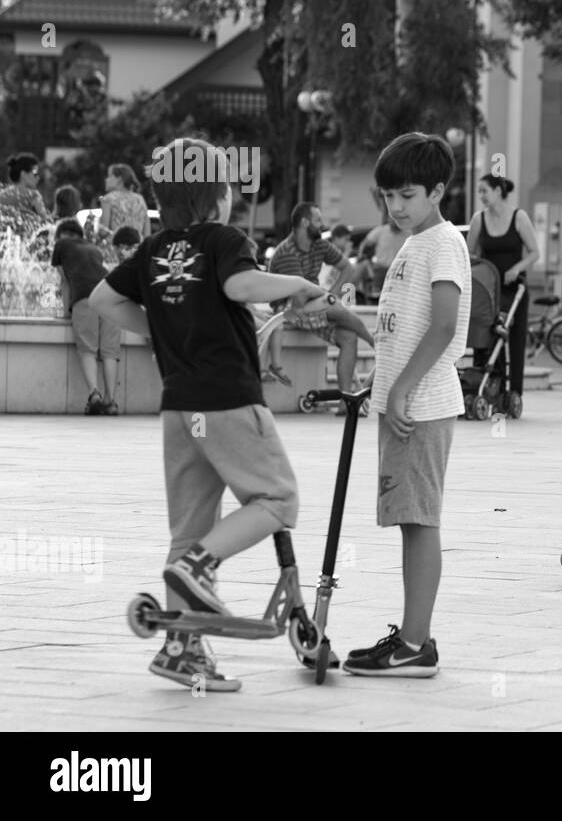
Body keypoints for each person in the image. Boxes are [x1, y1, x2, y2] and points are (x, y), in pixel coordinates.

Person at [90, 136, 327, 691]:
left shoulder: (151, 250)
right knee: (277, 498)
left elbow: (102, 299)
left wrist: (162, 330)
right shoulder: (224, 239)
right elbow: (240, 284)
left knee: (186, 530)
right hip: (226, 398)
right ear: (217, 196)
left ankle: (183, 650)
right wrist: (297, 283)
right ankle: (200, 569)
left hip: (179, 407)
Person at [342, 132, 470, 677]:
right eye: (387, 196)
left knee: (420, 522)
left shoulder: (443, 243)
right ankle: (410, 635)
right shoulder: (413, 243)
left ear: (438, 191)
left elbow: (444, 327)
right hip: (401, 405)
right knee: (410, 521)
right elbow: (403, 328)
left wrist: (399, 390)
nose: (396, 207)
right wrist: (373, 366)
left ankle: (416, 645)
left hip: (420, 407)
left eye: (407, 195)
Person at [268, 202, 375, 409]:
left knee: (348, 337)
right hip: (290, 308)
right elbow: (299, 295)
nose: (323, 225)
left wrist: (332, 294)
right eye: (318, 220)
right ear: (305, 222)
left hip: (311, 303)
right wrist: (327, 299)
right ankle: (374, 342)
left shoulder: (319, 244)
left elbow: (348, 269)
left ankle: (345, 404)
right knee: (333, 307)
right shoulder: (286, 251)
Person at [466, 174, 540, 402]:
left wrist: (517, 269)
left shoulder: (519, 217)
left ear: (498, 191)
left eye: (484, 191)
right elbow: (469, 254)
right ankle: (487, 385)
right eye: (479, 192)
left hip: (513, 288)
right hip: (489, 290)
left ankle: (514, 393)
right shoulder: (479, 219)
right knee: (486, 331)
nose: (481, 196)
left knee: (515, 339)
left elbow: (535, 252)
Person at [51, 218, 121, 415]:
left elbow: (65, 282)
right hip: (111, 297)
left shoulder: (61, 245)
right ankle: (111, 401)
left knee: (87, 348)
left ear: (61, 235)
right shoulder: (93, 248)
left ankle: (94, 395)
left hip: (86, 299)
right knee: (110, 351)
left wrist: (65, 313)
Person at [358, 212, 409, 302]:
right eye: (393, 219)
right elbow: (365, 244)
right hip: (381, 270)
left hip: (400, 271)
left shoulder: (408, 233)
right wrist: (362, 257)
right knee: (376, 297)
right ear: (389, 220)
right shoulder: (380, 231)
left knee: (397, 299)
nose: (395, 222)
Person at [98, 164, 150, 238]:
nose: (106, 179)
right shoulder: (140, 199)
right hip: (138, 247)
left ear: (119, 179)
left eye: (109, 176)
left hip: (116, 247)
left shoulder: (108, 199)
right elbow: (147, 234)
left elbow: (103, 232)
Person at [0, 153, 48, 218]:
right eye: (35, 173)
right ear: (23, 174)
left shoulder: (3, 194)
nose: (38, 177)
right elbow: (45, 219)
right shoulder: (33, 195)